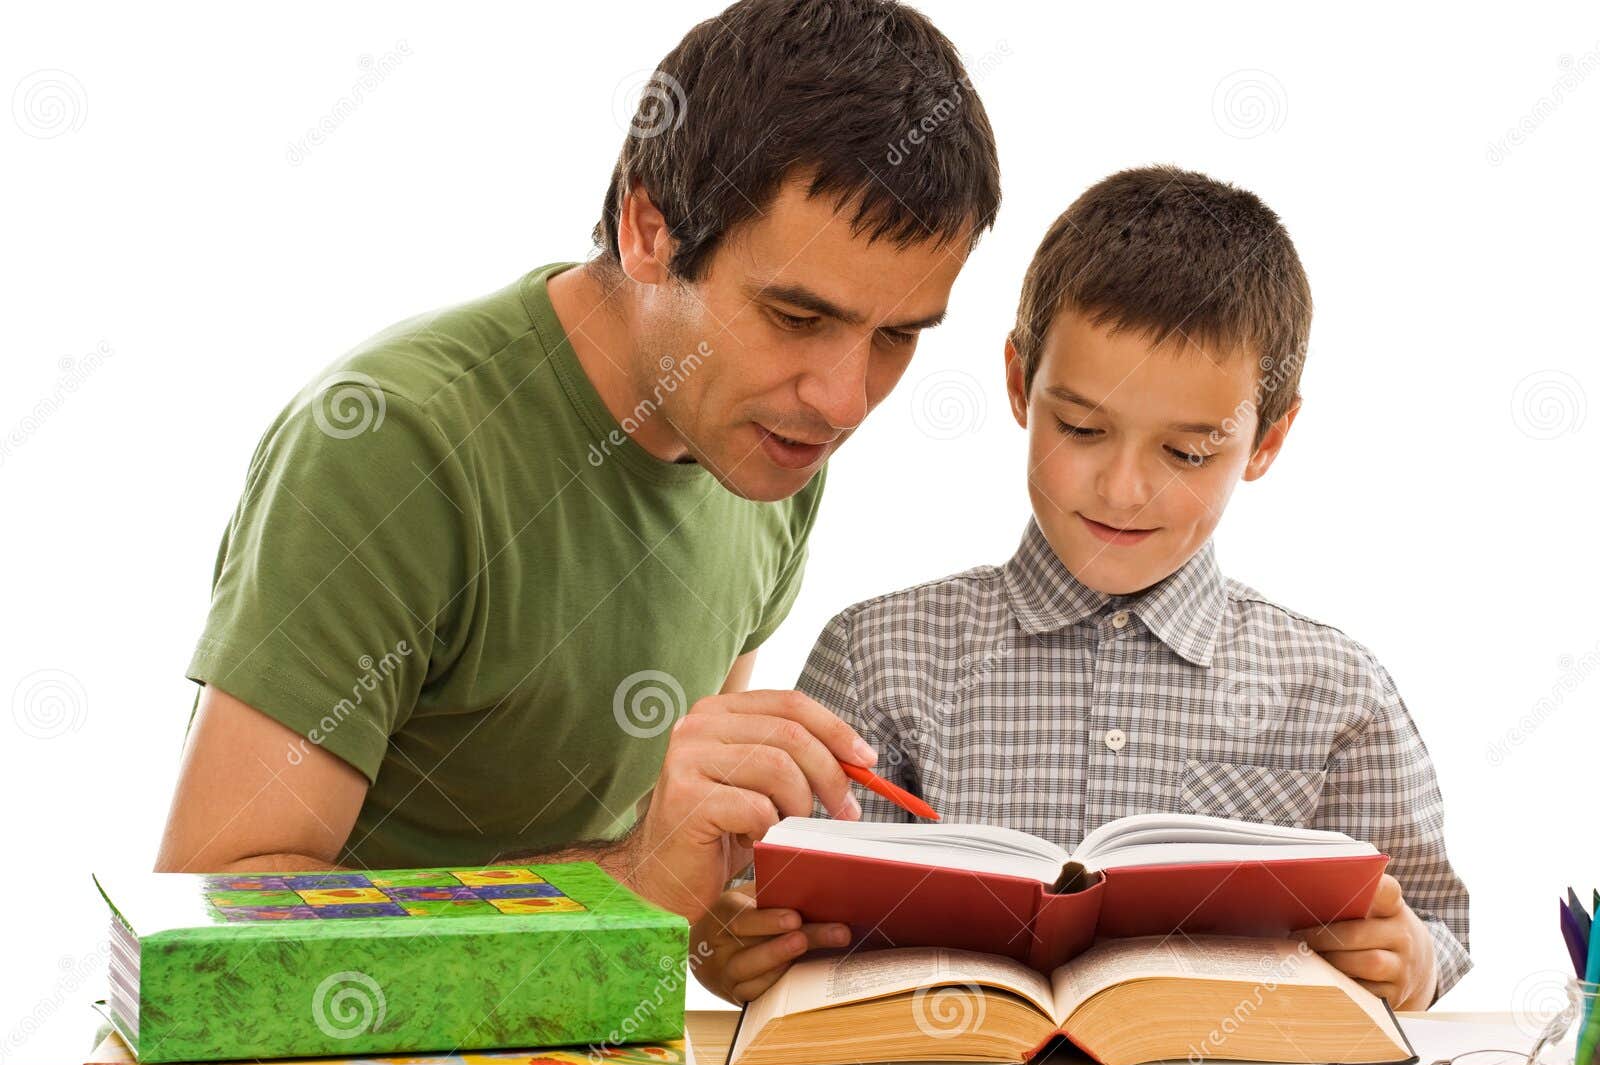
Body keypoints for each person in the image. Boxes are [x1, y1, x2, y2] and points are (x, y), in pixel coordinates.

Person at [154, 0, 1001, 927]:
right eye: (797, 319)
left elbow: (666, 846)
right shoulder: (394, 448)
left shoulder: (769, 451)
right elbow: (210, 913)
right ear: (648, 229)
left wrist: (714, 910)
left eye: (897, 337)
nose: (844, 400)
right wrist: (638, 882)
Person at [694, 166, 1469, 1011]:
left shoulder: (1335, 689)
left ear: (1267, 440)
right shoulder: (879, 654)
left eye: (1186, 452)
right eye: (1083, 428)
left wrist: (1417, 961)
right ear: (1021, 383)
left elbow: (1434, 922)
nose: (1122, 489)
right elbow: (770, 908)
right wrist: (729, 943)